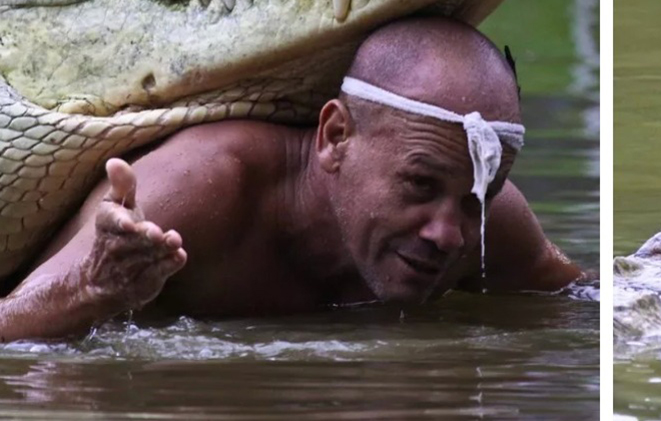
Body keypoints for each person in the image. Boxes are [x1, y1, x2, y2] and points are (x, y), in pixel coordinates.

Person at [0, 17, 585, 341]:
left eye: (477, 201)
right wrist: (89, 289)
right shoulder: (202, 189)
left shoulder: (484, 222)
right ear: (335, 137)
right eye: (419, 186)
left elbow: (585, 307)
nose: (449, 235)